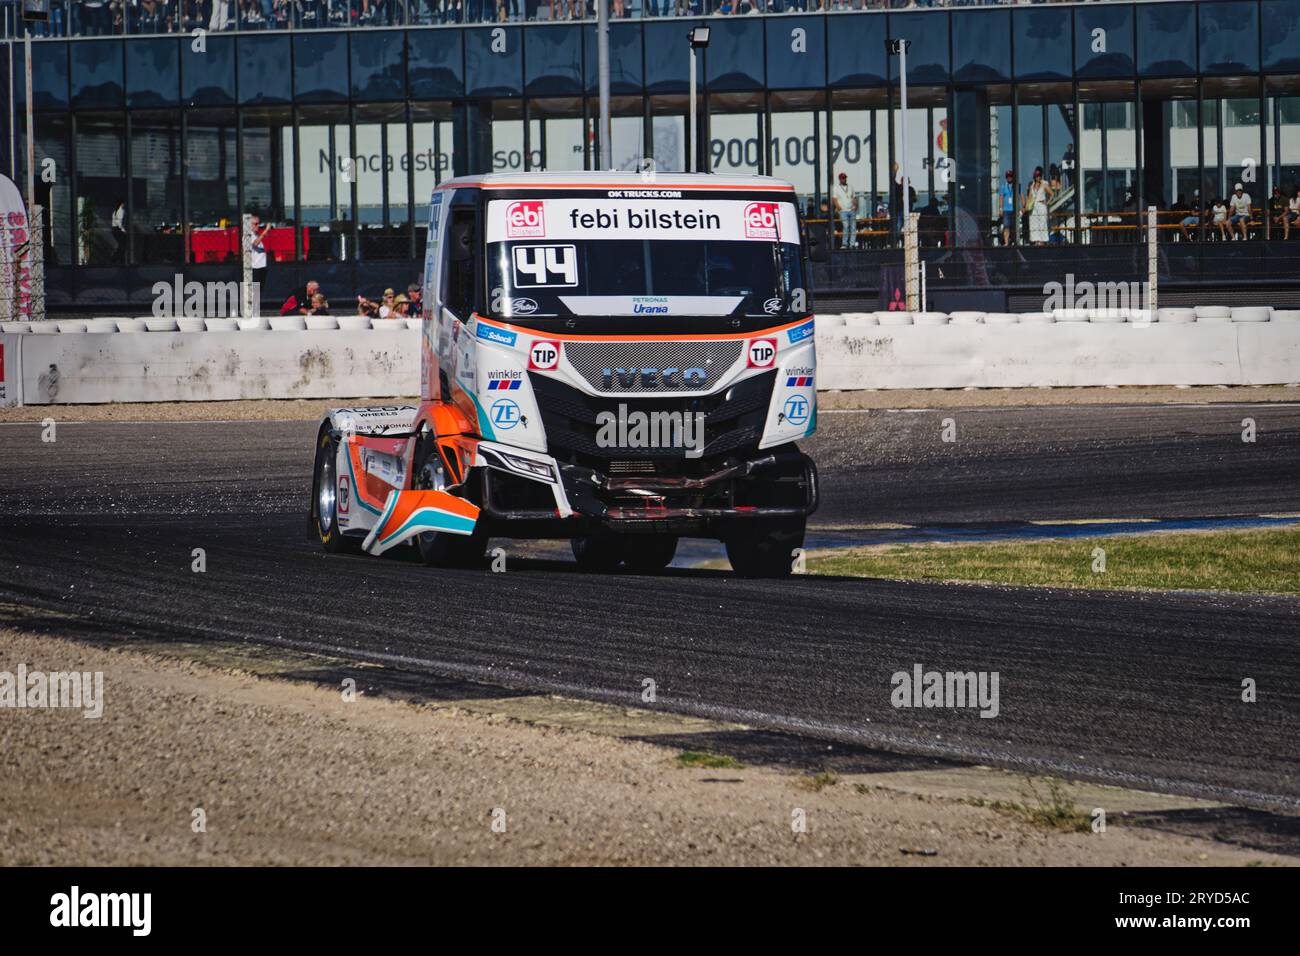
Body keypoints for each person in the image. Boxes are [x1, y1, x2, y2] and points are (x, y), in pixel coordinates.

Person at [1024, 166, 1053, 246]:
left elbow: (1051, 194)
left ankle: (1042, 241)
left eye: (1039, 175)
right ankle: (1036, 240)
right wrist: (1026, 207)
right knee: (1033, 223)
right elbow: (1029, 197)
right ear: (1034, 176)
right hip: (1033, 206)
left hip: (1041, 204)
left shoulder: (1044, 184)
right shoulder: (1032, 186)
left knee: (1042, 223)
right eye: (1037, 175)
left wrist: (1047, 202)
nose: (1038, 177)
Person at [832, 172, 855, 250]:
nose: (843, 179)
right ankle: (845, 243)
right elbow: (834, 199)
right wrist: (839, 208)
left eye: (844, 177)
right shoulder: (836, 188)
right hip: (843, 211)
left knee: (853, 227)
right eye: (842, 178)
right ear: (839, 179)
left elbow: (854, 197)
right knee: (846, 226)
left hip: (851, 210)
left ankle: (852, 244)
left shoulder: (851, 187)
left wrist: (855, 206)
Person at [248, 215, 270, 291]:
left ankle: (256, 302)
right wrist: (265, 231)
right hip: (255, 268)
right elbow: (255, 243)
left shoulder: (256, 235)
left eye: (258, 223)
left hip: (261, 267)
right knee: (255, 291)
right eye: (255, 224)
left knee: (260, 291)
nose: (258, 226)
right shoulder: (248, 235)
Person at [999, 169, 1015, 246]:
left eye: (1011, 176)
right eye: (1008, 176)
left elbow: (1021, 195)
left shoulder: (1016, 186)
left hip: (1014, 210)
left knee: (1014, 226)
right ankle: (1006, 242)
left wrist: (1023, 206)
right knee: (1006, 226)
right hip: (1006, 210)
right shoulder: (1003, 186)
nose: (1009, 178)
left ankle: (1014, 240)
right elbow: (1001, 197)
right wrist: (1001, 209)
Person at [111, 199, 127, 264]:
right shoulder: (121, 211)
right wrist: (123, 230)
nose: (124, 205)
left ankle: (119, 259)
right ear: (121, 204)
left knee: (121, 245)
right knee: (122, 245)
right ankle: (115, 258)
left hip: (114, 229)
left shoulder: (115, 211)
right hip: (118, 229)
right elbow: (119, 222)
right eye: (123, 203)